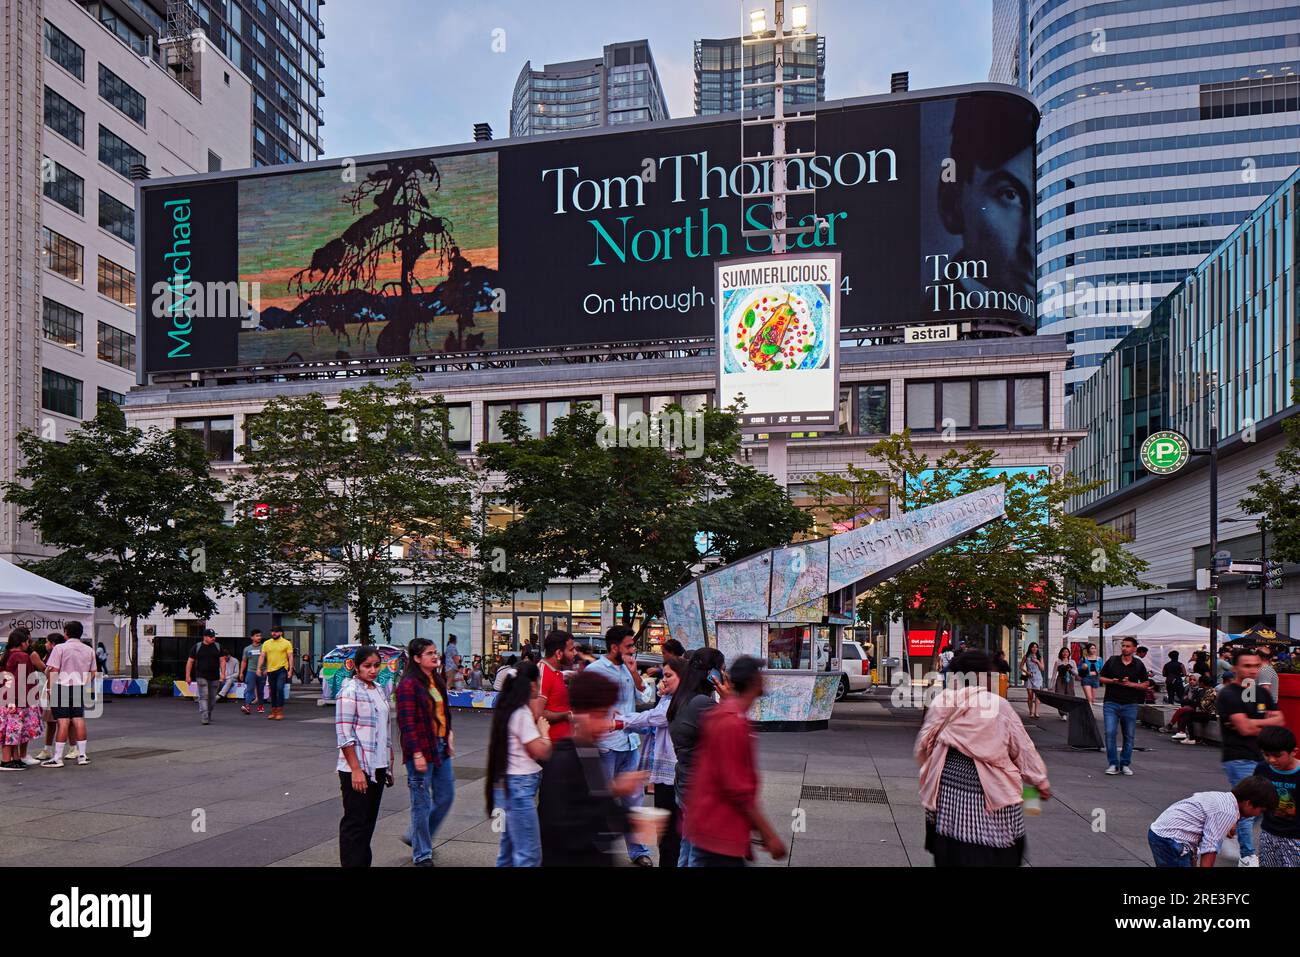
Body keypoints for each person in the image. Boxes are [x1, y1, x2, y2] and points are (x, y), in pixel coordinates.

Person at [916, 648, 1051, 866]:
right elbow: (1023, 749)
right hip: (993, 792)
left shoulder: (942, 702)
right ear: (982, 675)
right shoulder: (999, 706)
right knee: (995, 850)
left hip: (948, 790)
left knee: (953, 852)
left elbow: (924, 745)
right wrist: (1039, 781)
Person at [537, 669, 657, 866]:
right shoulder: (564, 759)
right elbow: (572, 831)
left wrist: (616, 792)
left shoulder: (588, 751)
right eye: (599, 716)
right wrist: (632, 822)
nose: (604, 725)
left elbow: (593, 805)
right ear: (578, 714)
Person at [683, 656, 786, 867]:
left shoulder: (729, 714)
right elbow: (737, 788)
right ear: (754, 681)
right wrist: (769, 835)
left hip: (715, 828)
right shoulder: (732, 722)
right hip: (718, 830)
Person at [584, 625, 653, 866]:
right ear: (614, 647)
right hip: (607, 745)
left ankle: (639, 851)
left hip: (630, 742)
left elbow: (646, 697)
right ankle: (598, 849)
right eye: (629, 646)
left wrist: (634, 674)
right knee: (603, 798)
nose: (633, 650)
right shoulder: (595, 670)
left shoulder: (628, 668)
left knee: (635, 800)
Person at [1216, 647, 1286, 866]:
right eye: (1247, 666)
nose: (1253, 670)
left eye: (1256, 665)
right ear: (1235, 667)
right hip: (1238, 757)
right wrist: (1261, 723)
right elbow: (1245, 729)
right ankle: (1247, 855)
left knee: (1269, 802)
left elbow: (1280, 720)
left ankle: (1229, 827)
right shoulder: (1228, 694)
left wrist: (1252, 723)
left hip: (1262, 756)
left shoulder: (1261, 692)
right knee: (1249, 803)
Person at [617, 655, 686, 866]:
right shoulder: (671, 698)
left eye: (668, 676)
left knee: (671, 834)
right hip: (666, 774)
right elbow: (650, 723)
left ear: (683, 677)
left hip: (672, 774)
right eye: (663, 675)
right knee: (667, 832)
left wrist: (620, 721)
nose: (663, 681)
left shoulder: (679, 702)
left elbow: (654, 718)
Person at [486, 660, 553, 867]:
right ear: (532, 684)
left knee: (508, 850)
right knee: (529, 854)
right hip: (519, 789)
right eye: (539, 679)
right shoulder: (521, 714)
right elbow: (540, 751)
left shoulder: (508, 710)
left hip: (506, 786)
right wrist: (545, 733)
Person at [396, 638, 455, 867]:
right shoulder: (409, 684)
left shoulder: (437, 680)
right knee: (421, 803)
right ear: (417, 658)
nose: (434, 656)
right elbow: (407, 723)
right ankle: (422, 854)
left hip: (440, 746)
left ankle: (416, 837)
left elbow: (443, 713)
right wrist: (416, 753)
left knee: (446, 796)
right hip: (421, 749)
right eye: (429, 653)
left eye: (435, 652)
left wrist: (448, 734)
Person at [335, 645, 393, 868]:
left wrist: (388, 765)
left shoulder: (379, 689)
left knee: (368, 824)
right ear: (356, 667)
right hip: (356, 768)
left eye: (376, 665)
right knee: (354, 824)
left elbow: (384, 728)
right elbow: (344, 734)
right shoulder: (349, 691)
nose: (373, 670)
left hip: (377, 766)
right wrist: (356, 769)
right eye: (367, 666)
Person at [670, 647, 727, 867]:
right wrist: (729, 698)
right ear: (712, 674)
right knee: (700, 855)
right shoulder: (702, 704)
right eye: (722, 669)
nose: (724, 674)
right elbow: (734, 733)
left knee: (689, 846)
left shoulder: (685, 699)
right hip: (699, 789)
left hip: (686, 783)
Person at [1147, 777, 1278, 867]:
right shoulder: (1227, 812)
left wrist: (1232, 823)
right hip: (1172, 840)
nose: (1259, 814)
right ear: (1249, 803)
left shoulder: (1224, 798)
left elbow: (1205, 808)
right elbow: (1210, 847)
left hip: (1161, 833)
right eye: (1261, 810)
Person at [41, 622, 95, 767]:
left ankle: (57, 757)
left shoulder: (60, 648)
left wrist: (50, 690)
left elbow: (53, 670)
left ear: (66, 632)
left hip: (61, 686)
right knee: (78, 719)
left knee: (63, 721)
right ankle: (82, 755)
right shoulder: (88, 650)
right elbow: (93, 673)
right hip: (79, 687)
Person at [1099, 637, 1150, 776]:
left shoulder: (1138, 664)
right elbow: (1101, 678)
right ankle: (1113, 764)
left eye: (1128, 646)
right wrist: (1113, 681)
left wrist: (1131, 684)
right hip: (1111, 702)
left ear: (1134, 649)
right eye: (1123, 646)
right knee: (1110, 733)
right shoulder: (1113, 661)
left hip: (1130, 703)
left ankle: (1125, 763)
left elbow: (1145, 684)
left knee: (1129, 735)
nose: (1124, 648)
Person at [1255, 726, 1300, 866]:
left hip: (1296, 838)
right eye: (1266, 755)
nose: (1272, 760)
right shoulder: (1262, 769)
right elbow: (1253, 797)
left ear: (1294, 752)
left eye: (1277, 755)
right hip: (1268, 833)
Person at [1, 630, 43, 770]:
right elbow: (20, 680)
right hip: (17, 699)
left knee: (9, 729)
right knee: (13, 730)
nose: (28, 644)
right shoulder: (22, 656)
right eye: (27, 641)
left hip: (5, 697)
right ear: (22, 642)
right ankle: (7, 761)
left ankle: (14, 758)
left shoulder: (6, 655)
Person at [539, 631, 576, 741]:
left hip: (564, 741)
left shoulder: (557, 673)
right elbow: (538, 714)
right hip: (552, 745)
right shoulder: (542, 673)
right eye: (571, 650)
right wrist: (565, 715)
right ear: (559, 653)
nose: (575, 653)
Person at [185, 629, 227, 726]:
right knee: (204, 696)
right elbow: (190, 662)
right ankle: (204, 716)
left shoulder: (218, 646)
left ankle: (208, 712)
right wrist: (188, 675)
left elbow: (222, 661)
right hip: (201, 676)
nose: (213, 638)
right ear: (205, 637)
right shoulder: (197, 647)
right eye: (211, 637)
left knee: (212, 699)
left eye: (214, 636)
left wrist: (223, 674)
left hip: (215, 676)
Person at [1164, 674, 1217, 745]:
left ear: (1202, 683)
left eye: (1198, 681)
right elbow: (1194, 701)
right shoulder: (1202, 690)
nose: (1198, 683)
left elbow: (1203, 704)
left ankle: (1188, 736)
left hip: (1209, 714)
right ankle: (1184, 734)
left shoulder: (1211, 691)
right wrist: (1193, 702)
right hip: (1202, 712)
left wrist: (1191, 701)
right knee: (1186, 714)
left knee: (1188, 715)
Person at [258, 628, 294, 721]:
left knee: (280, 688)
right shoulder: (266, 643)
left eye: (276, 631)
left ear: (281, 633)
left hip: (282, 669)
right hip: (270, 670)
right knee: (273, 691)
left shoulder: (286, 643)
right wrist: (259, 668)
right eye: (272, 631)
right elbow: (262, 656)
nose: (274, 633)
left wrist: (290, 670)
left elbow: (290, 657)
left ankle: (280, 711)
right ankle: (273, 711)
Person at [240, 629, 266, 715]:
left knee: (260, 690)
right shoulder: (247, 649)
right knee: (249, 689)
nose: (259, 637)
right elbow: (244, 661)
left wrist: (267, 669)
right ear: (252, 637)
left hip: (262, 672)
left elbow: (269, 659)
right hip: (250, 671)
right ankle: (247, 706)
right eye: (257, 636)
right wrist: (241, 672)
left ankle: (261, 706)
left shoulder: (264, 647)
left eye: (260, 636)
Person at [1019, 641, 1044, 719]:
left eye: (1036, 647)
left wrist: (1037, 661)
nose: (1034, 648)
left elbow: (1042, 669)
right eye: (1033, 647)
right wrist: (1027, 672)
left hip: (1038, 678)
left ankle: (1036, 712)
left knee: (1037, 696)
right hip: (1029, 677)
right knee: (1030, 695)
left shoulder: (1040, 657)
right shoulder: (1026, 656)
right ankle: (1031, 712)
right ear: (1030, 648)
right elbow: (1021, 667)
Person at [1051, 646, 1076, 721]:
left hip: (1069, 680)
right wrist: (1051, 684)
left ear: (1069, 653)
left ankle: (1068, 711)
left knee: (1070, 696)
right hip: (1060, 680)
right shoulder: (1058, 662)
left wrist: (1071, 669)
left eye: (1067, 652)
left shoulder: (1072, 662)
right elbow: (1054, 673)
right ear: (1061, 653)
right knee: (1060, 696)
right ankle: (1063, 713)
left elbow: (1076, 673)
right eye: (1064, 652)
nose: (1065, 653)